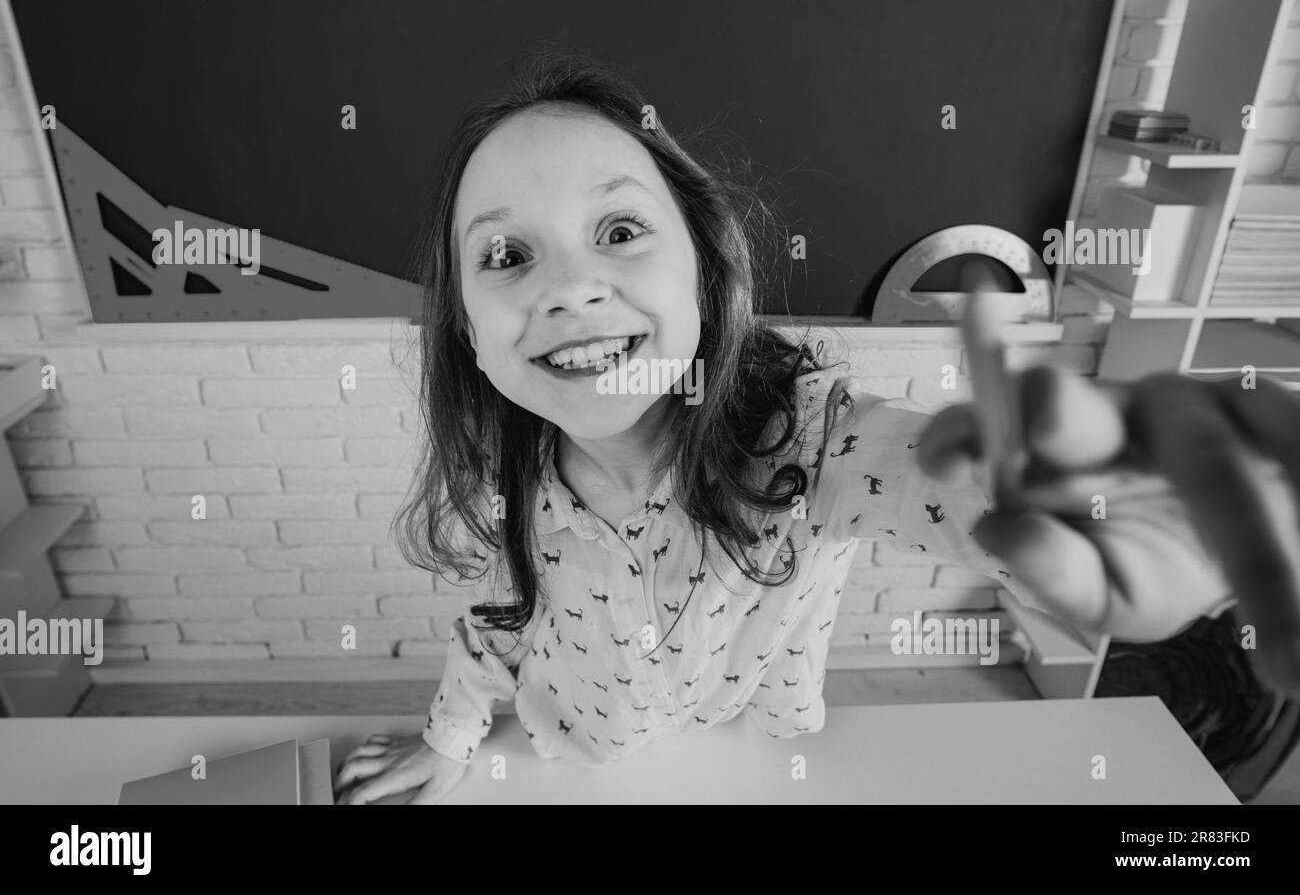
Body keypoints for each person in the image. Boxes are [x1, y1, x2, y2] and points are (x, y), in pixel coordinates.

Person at [333, 49, 1300, 804]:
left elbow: (931, 475)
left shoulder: (802, 438)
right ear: (464, 327)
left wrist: (1095, 505)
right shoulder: (514, 468)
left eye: (620, 231)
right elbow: (505, 622)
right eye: (505, 254)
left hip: (756, 744)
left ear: (705, 271)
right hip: (581, 752)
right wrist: (445, 738)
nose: (571, 286)